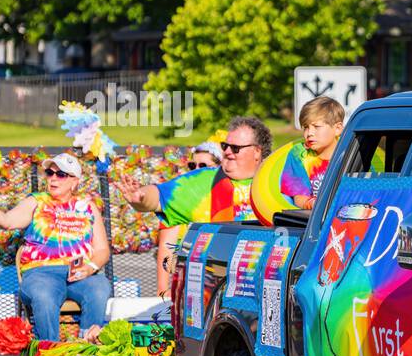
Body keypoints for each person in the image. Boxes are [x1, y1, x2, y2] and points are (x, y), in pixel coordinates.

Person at [0, 153, 111, 341]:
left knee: (100, 286)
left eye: (61, 174)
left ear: (74, 181)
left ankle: (86, 349)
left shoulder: (88, 207)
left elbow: (102, 250)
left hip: (79, 274)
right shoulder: (37, 201)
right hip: (41, 274)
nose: (53, 178)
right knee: (44, 295)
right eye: (49, 173)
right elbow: (7, 221)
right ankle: (50, 354)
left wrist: (90, 268)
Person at [119, 116, 272, 228]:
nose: (228, 152)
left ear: (257, 152)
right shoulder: (203, 180)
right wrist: (141, 197)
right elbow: (159, 197)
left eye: (235, 148)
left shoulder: (276, 181)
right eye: (225, 146)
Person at [154, 142, 224, 299]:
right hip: (187, 275)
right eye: (193, 165)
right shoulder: (180, 198)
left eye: (204, 165)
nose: (197, 170)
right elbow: (166, 247)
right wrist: (162, 291)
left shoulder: (228, 196)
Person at [285, 97, 345, 209]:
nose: (309, 133)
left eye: (316, 126)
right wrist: (316, 205)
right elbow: (299, 198)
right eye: (306, 127)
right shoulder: (299, 155)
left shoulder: (351, 154)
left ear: (337, 128)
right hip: (313, 217)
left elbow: (365, 192)